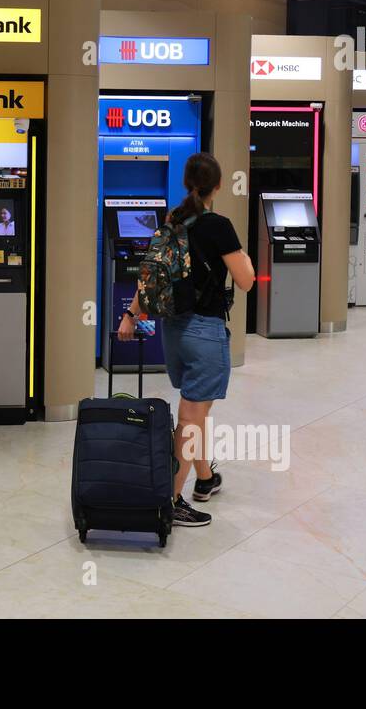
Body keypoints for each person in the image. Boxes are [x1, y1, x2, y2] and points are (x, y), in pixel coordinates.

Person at [117, 152, 254, 528]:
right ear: (219, 186)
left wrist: (131, 315)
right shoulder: (219, 226)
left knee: (196, 413)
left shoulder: (173, 221)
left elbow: (151, 277)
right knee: (191, 418)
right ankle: (171, 500)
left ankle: (205, 479)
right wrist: (241, 254)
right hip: (204, 331)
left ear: (185, 183)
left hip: (173, 331)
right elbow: (246, 280)